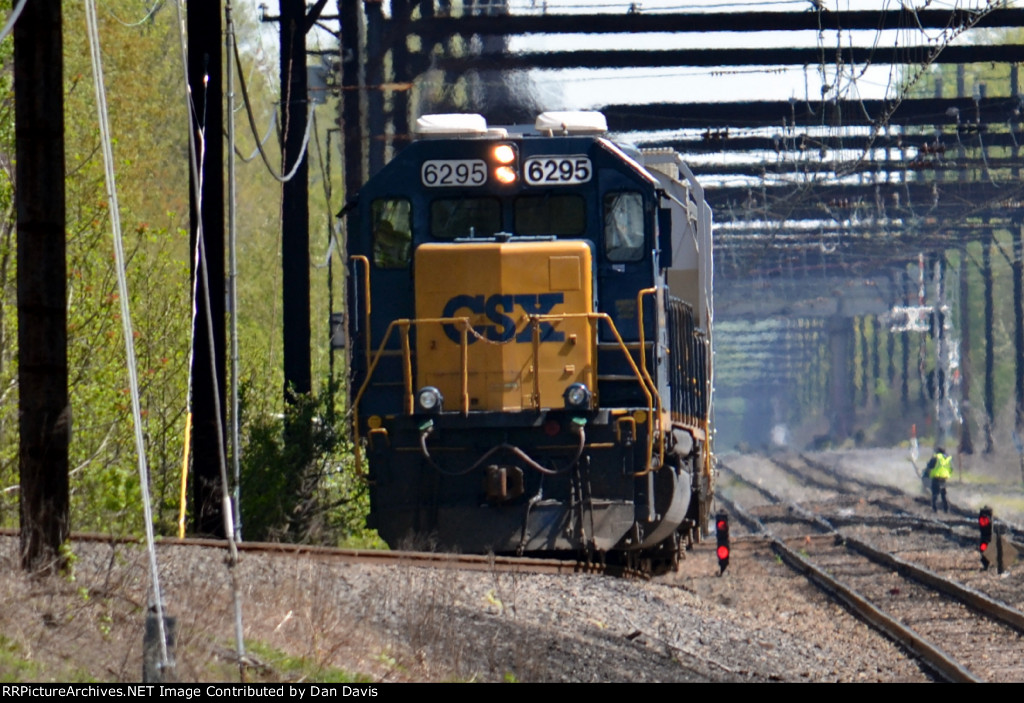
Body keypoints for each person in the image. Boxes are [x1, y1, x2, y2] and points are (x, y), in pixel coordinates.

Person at [924, 447, 952, 513]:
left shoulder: (936, 457)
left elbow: (929, 466)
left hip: (936, 478)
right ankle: (946, 509)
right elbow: (951, 468)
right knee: (943, 495)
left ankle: (934, 509)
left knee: (935, 494)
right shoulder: (947, 458)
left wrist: (926, 474)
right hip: (944, 478)